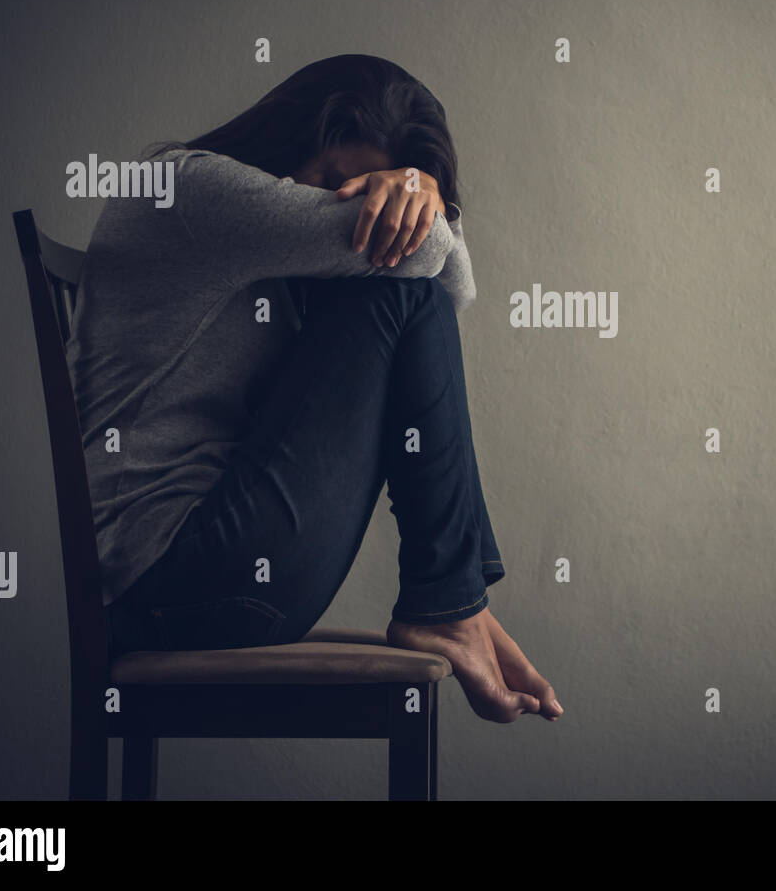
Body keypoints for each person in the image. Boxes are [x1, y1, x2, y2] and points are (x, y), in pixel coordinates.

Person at [68, 53, 562, 724]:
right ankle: (451, 603)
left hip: (206, 576)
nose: (356, 204)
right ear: (292, 135)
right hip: (168, 579)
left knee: (398, 297)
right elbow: (430, 270)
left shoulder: (274, 268)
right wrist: (417, 199)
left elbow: (453, 283)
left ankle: (454, 600)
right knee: (401, 299)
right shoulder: (186, 188)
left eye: (375, 192)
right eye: (337, 181)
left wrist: (422, 189)